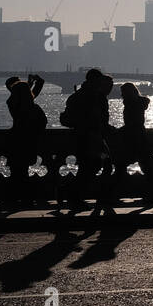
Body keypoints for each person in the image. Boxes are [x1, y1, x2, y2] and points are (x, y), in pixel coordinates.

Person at [61, 68, 116, 215]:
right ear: (94, 81)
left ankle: (75, 196)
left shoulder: (78, 96)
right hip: (92, 139)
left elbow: (67, 118)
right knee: (100, 165)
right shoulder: (95, 97)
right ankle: (79, 196)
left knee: (91, 166)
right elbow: (100, 120)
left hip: (85, 138)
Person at [115, 82, 153, 205]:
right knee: (148, 168)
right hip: (141, 138)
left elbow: (132, 124)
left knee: (121, 166)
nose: (122, 96)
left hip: (134, 139)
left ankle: (112, 194)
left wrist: (120, 131)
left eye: (123, 93)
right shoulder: (139, 103)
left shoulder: (131, 104)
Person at [5, 75, 47, 206]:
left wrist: (28, 85)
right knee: (23, 172)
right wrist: (34, 81)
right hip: (29, 142)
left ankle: (14, 198)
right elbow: (42, 122)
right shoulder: (34, 108)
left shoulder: (12, 104)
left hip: (16, 141)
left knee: (16, 172)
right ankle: (26, 198)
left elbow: (21, 95)